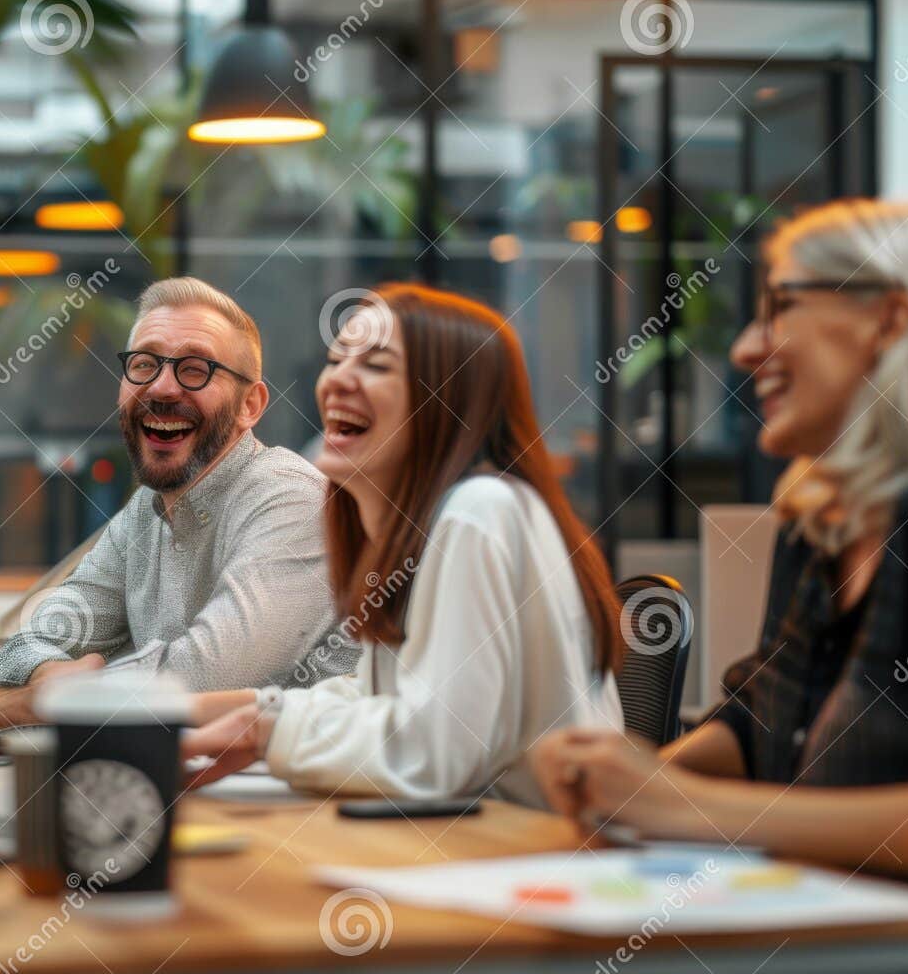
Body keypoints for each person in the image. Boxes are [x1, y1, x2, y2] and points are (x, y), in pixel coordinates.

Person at [529, 197, 908, 893]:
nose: (747, 348)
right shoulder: (818, 523)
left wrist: (682, 807)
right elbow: (761, 723)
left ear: (892, 319)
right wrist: (624, 778)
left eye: (781, 307)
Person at [181, 283, 624, 805]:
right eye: (336, 359)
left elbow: (434, 753)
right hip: (487, 848)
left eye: (377, 365)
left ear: (448, 400)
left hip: (536, 858)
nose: (337, 380)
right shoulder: (423, 527)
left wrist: (266, 731)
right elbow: (384, 700)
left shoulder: (479, 511)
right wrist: (240, 712)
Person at [0, 277, 360, 722]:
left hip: (296, 800)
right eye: (143, 364)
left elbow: (205, 678)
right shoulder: (148, 509)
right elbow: (30, 640)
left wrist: (20, 705)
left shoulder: (291, 498)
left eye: (195, 369)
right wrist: (52, 679)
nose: (161, 388)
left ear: (250, 406)